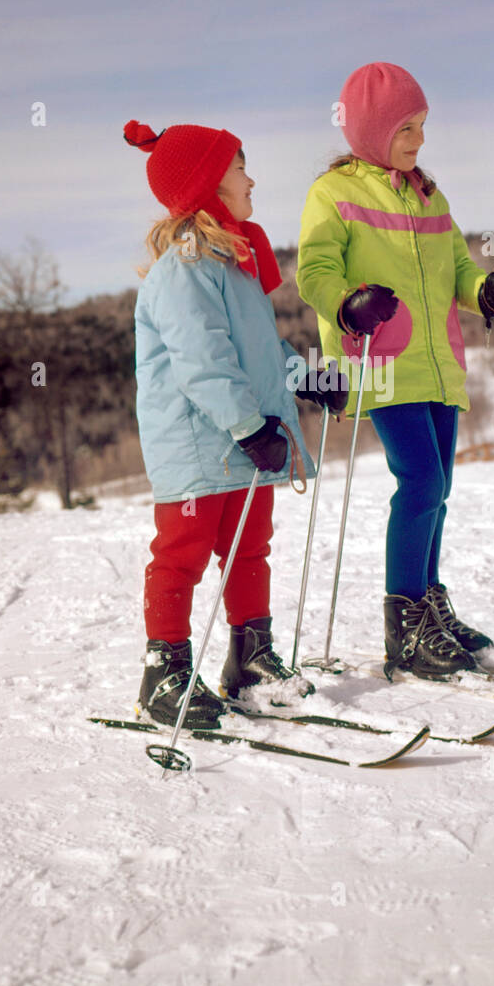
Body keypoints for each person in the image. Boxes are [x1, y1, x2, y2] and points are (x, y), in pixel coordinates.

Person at [295, 63, 494, 681]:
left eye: (422, 127)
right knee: (419, 481)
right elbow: (313, 272)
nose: (418, 141)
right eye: (405, 129)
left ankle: (427, 603)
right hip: (382, 362)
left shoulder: (430, 195)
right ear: (370, 131)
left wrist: (486, 291)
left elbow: (457, 271)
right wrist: (348, 302)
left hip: (439, 361)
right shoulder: (335, 195)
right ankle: (404, 627)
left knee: (440, 488)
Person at [125, 119, 344, 725]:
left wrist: (309, 380)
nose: (253, 179)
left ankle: (250, 660)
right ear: (207, 184)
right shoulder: (186, 267)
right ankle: (163, 674)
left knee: (250, 551)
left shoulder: (235, 264)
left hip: (247, 443)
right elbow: (203, 363)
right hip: (199, 446)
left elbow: (264, 357)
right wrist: (250, 427)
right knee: (181, 555)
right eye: (241, 168)